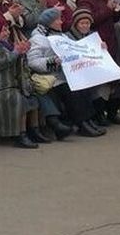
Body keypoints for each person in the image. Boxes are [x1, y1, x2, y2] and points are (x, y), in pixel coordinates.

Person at [0, 15, 39, 149]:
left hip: (13, 82)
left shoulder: (4, 43)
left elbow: (15, 60)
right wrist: (16, 52)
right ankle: (20, 134)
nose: (7, 33)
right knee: (17, 99)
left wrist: (22, 52)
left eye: (7, 29)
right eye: (3, 30)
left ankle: (34, 130)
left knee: (33, 96)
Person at [26, 8, 81, 139]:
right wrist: (52, 61)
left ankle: (83, 121)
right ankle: (57, 125)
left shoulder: (62, 36)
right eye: (58, 20)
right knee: (49, 91)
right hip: (44, 76)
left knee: (76, 89)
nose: (61, 22)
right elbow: (33, 62)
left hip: (60, 75)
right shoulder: (37, 39)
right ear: (49, 23)